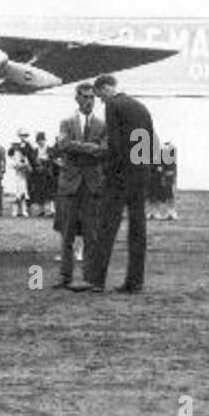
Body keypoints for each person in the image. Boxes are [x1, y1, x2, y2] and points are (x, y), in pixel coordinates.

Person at [74, 74, 151, 294]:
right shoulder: (141, 107)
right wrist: (144, 175)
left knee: (105, 228)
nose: (100, 101)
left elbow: (115, 145)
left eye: (99, 95)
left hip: (119, 178)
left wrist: (107, 170)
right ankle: (135, 282)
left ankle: (95, 280)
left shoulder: (114, 105)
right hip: (140, 176)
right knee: (138, 230)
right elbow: (149, 143)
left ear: (106, 88)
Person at [53, 83, 105, 288]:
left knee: (92, 235)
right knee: (67, 234)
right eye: (84, 97)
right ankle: (65, 277)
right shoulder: (66, 122)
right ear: (77, 98)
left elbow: (106, 150)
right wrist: (91, 148)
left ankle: (89, 278)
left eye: (92, 97)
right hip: (70, 185)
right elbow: (64, 145)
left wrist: (79, 148)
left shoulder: (102, 125)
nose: (89, 101)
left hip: (91, 186)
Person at [5, 134, 32, 217]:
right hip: (13, 176)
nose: (16, 146)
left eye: (18, 145)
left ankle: (24, 210)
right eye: (15, 145)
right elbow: (9, 164)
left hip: (21, 175)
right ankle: (15, 211)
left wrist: (24, 166)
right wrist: (16, 165)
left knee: (22, 193)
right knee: (14, 194)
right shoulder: (10, 155)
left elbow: (27, 163)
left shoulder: (23, 155)